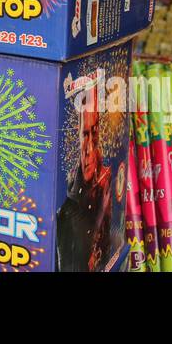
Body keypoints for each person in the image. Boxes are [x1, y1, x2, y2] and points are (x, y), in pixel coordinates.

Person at [56, 86, 117, 271]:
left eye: (95, 134)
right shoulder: (67, 209)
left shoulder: (107, 183)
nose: (89, 147)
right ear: (79, 133)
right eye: (85, 134)